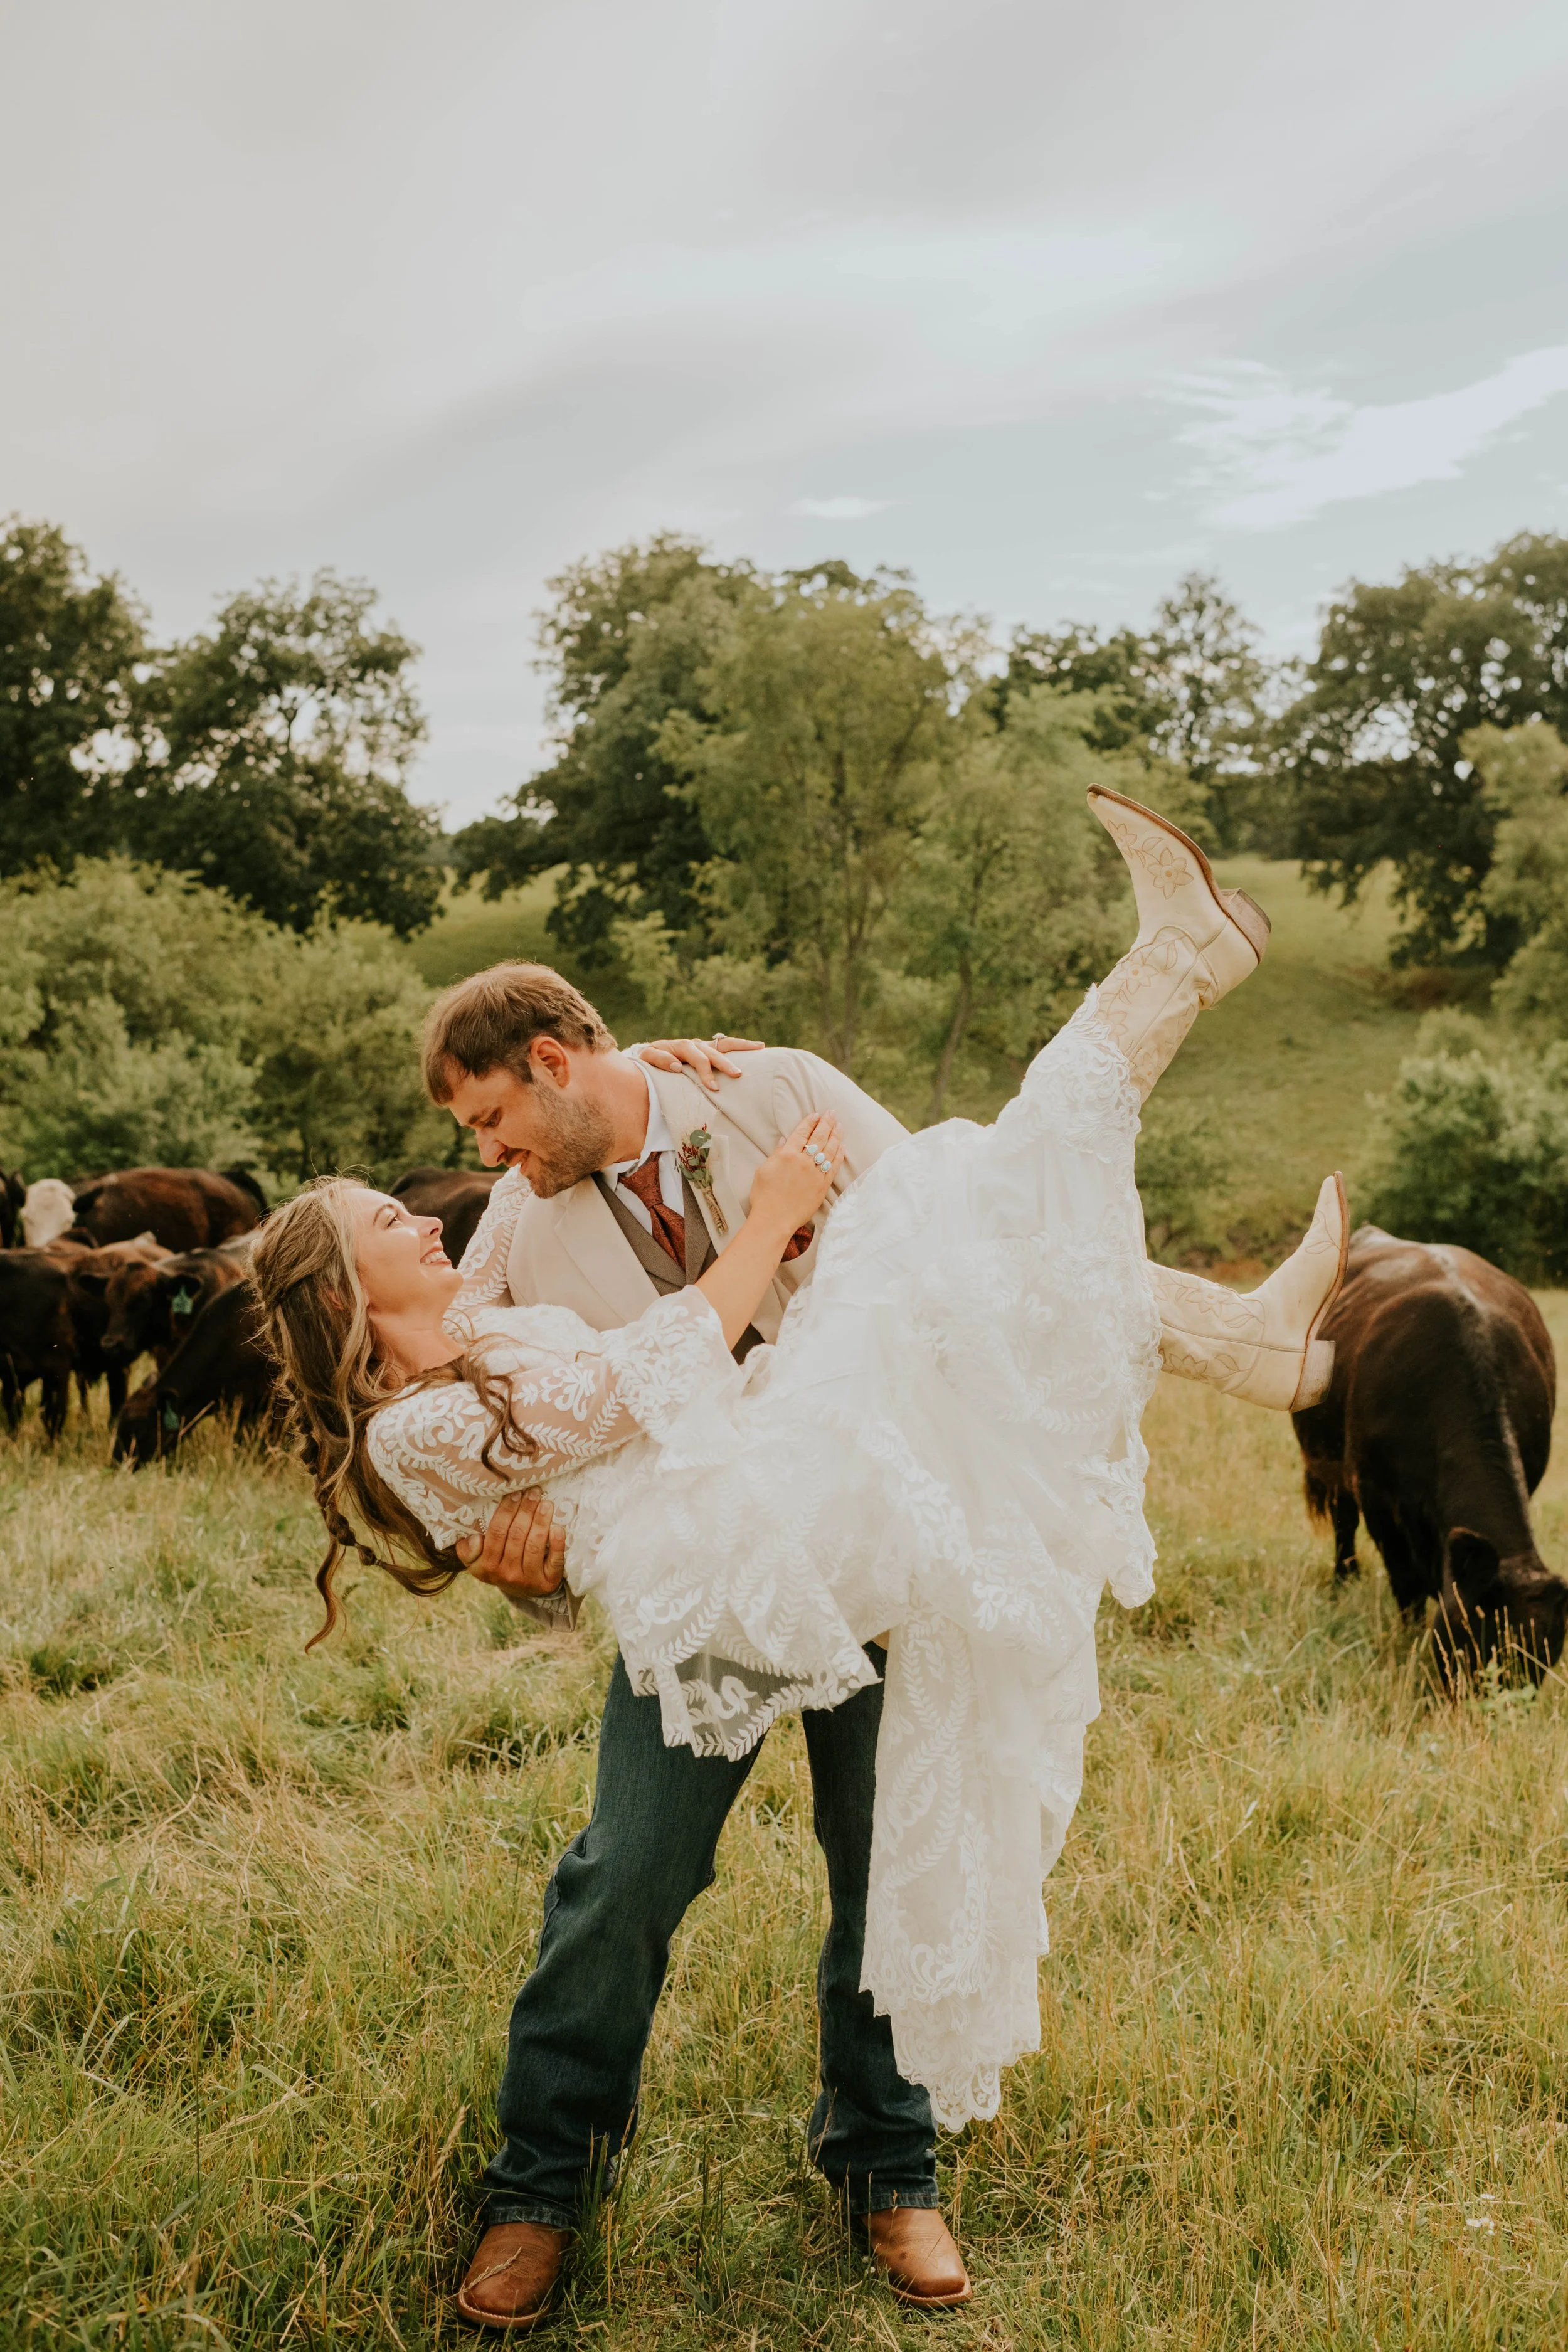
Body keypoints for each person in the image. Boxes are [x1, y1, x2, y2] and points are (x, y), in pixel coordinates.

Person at [251, 788, 1348, 2326]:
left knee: (887, 1845)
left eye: (488, 1114)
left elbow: (957, 1255)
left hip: (876, 1527)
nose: (474, 1155)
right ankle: (537, 2190)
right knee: (627, 1875)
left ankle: (889, 2168)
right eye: (462, 1143)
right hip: (716, 1578)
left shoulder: (769, 1089)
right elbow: (451, 1378)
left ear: (555, 1062)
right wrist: (508, 1539)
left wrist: (733, 1123)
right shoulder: (506, 1220)